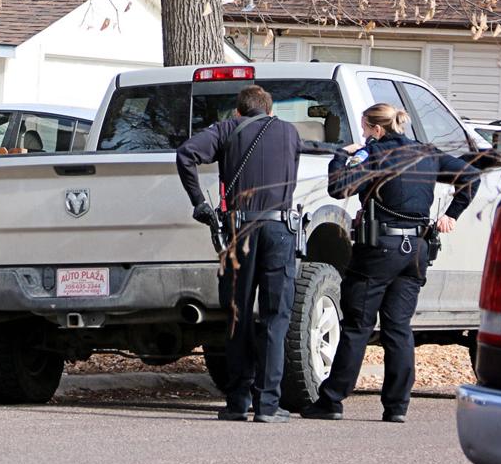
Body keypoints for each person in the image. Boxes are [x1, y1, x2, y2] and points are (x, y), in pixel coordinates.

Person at [301, 103, 479, 423]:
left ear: (377, 129)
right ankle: (397, 406)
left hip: (379, 249)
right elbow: (471, 175)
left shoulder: (373, 154)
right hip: (416, 251)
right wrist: (452, 214)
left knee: (358, 326)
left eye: (365, 128)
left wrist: (343, 155)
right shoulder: (426, 153)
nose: (363, 134)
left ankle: (332, 400)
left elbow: (339, 186)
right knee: (398, 327)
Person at [176, 85, 301, 423]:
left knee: (237, 314)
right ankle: (268, 406)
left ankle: (237, 401)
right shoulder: (289, 132)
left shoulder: (229, 129)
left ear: (238, 111)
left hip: (239, 230)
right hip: (280, 229)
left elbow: (186, 154)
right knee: (276, 317)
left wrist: (199, 203)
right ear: (270, 110)